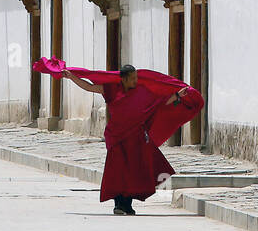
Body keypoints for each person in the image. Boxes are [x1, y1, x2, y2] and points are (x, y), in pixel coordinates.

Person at [34, 58, 202, 215]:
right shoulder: (112, 90)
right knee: (117, 172)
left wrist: (179, 95)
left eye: (136, 77)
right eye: (133, 78)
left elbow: (160, 102)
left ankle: (127, 205)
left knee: (134, 171)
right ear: (124, 79)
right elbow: (89, 87)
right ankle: (118, 204)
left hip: (136, 138)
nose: (136, 81)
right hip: (117, 137)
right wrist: (71, 77)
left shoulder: (142, 92)